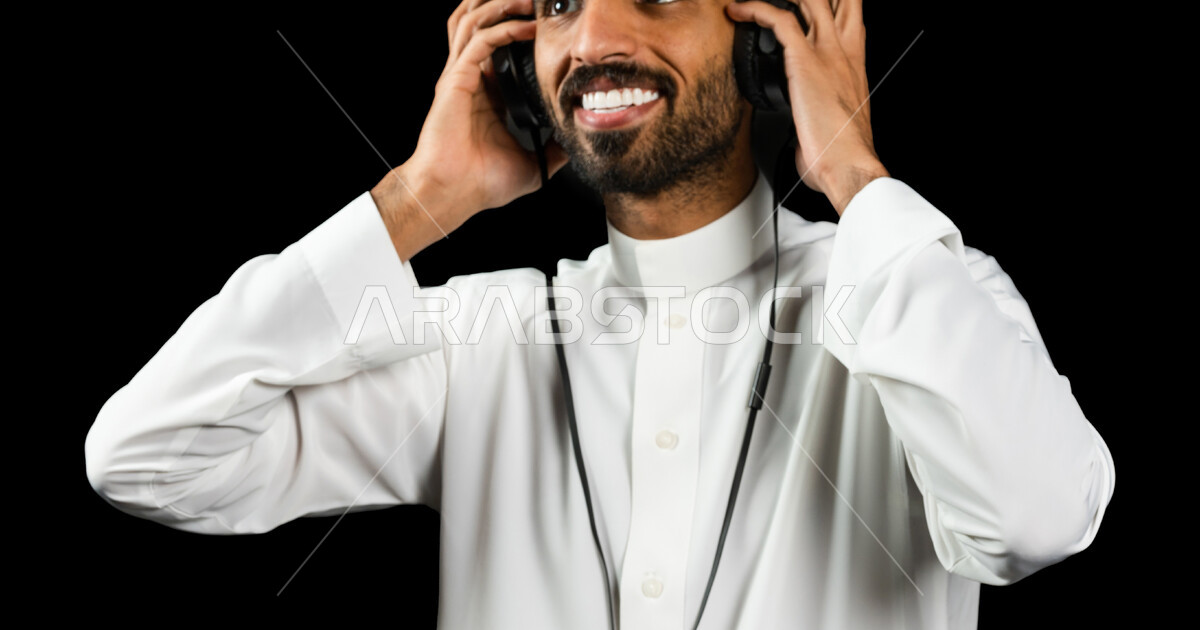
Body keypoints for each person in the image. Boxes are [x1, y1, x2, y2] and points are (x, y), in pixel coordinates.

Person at [84, 1, 1115, 628]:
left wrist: (851, 167)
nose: (595, 42)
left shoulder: (921, 291)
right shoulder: (487, 342)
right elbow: (146, 455)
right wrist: (420, 198)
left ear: (768, 52)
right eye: (564, 2)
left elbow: (1036, 519)